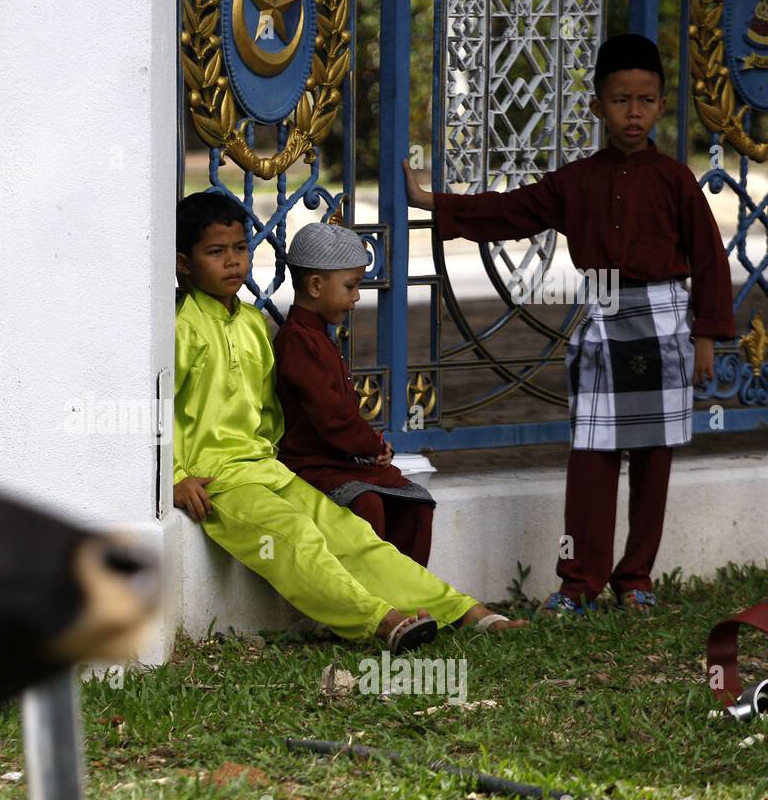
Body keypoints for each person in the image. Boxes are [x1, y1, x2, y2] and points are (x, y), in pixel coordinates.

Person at [402, 33, 736, 616]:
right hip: (604, 324)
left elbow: (709, 259)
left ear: (660, 105)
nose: (633, 112)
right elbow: (510, 211)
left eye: (646, 100)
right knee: (592, 459)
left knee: (655, 458)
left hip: (664, 324)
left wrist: (704, 338)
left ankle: (636, 579)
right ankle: (579, 581)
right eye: (620, 100)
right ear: (596, 106)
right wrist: (435, 202)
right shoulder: (575, 181)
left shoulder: (677, 181)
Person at [173, 191, 526, 652]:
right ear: (183, 263)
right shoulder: (179, 327)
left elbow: (269, 414)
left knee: (351, 534)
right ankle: (381, 621)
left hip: (266, 469)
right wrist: (176, 478)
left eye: (240, 249)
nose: (233, 262)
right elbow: (155, 409)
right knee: (296, 537)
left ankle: (466, 611)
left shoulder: (254, 325)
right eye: (216, 252)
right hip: (218, 482)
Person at [274, 222, 436, 566]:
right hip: (312, 465)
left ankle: (411, 596)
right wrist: (372, 446)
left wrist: (372, 447)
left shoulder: (318, 336)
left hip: (343, 461)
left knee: (416, 504)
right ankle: (374, 607)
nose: (357, 297)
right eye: (351, 286)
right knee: (367, 505)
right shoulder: (297, 340)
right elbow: (331, 416)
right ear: (316, 286)